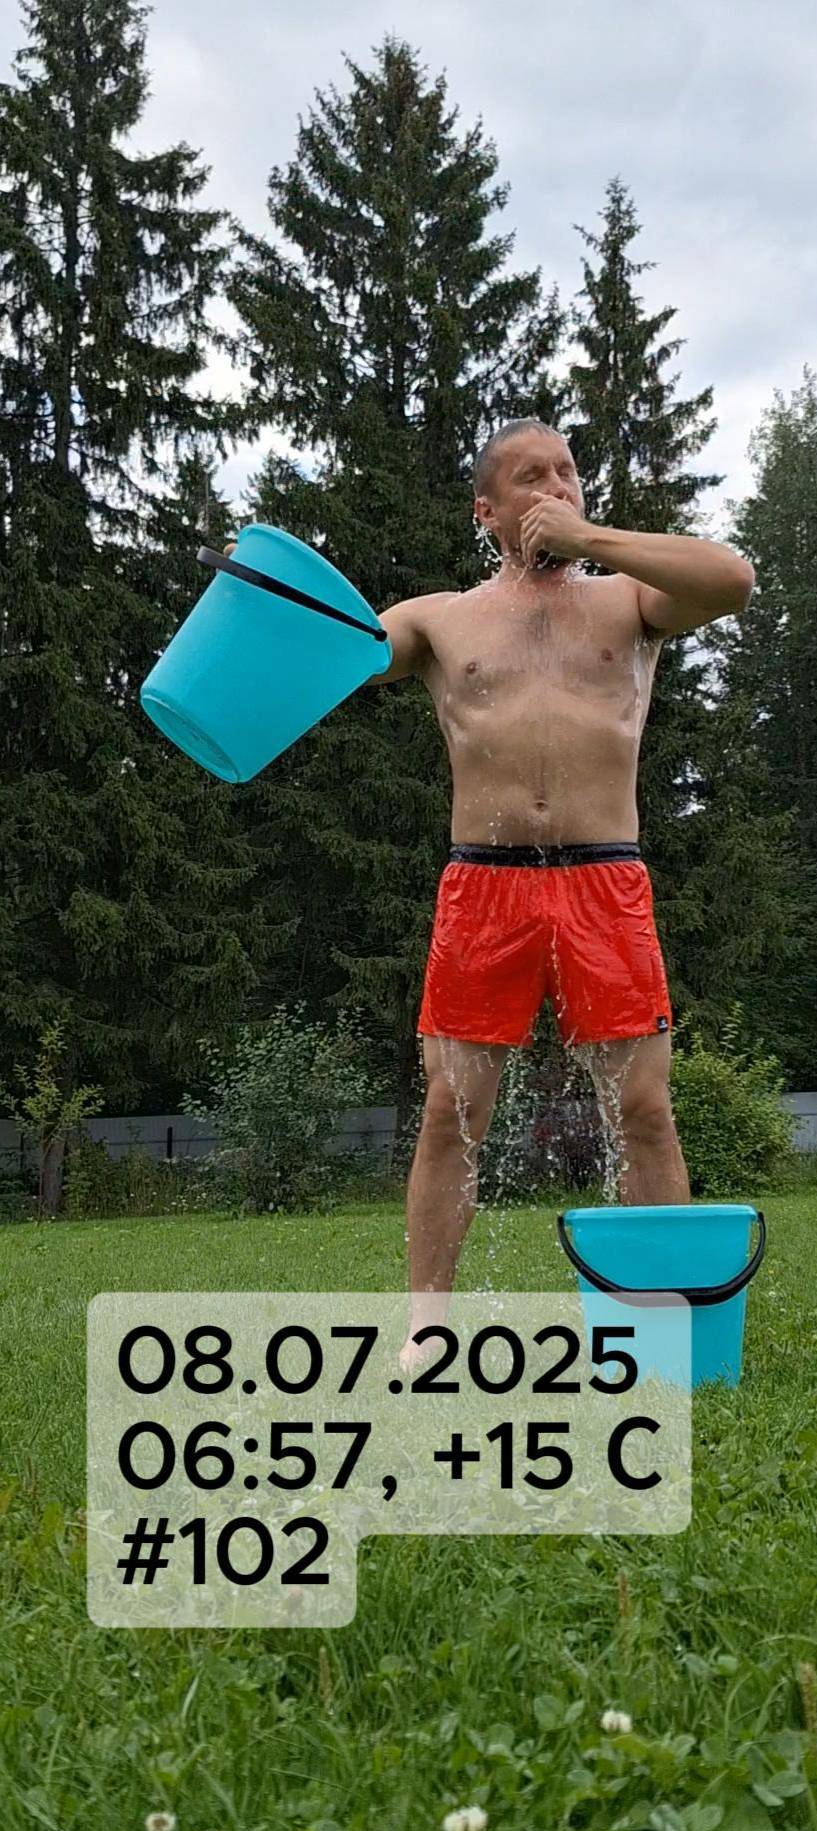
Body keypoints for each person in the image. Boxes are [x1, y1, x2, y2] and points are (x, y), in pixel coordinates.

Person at [227, 418, 755, 1370]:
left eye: (567, 472)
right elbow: (338, 652)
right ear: (486, 511)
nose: (555, 488)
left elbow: (734, 578)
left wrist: (587, 539)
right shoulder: (440, 619)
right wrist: (262, 604)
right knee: (450, 1111)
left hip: (605, 879)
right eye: (530, 478)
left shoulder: (633, 599)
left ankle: (662, 1328)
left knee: (643, 1108)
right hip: (484, 886)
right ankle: (428, 1329)